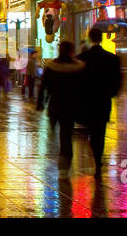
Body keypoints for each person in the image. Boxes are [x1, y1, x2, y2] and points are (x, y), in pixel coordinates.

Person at [77, 27, 122, 178]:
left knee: (90, 130)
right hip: (103, 100)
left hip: (86, 100)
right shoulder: (112, 58)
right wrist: (112, 93)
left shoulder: (81, 58)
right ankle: (98, 160)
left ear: (90, 39)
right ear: (101, 39)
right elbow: (117, 79)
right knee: (100, 131)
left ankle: (95, 156)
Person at [36, 41, 85, 172]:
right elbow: (83, 88)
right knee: (66, 135)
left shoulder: (51, 67)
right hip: (71, 106)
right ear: (71, 51)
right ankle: (65, 164)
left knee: (55, 134)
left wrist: (41, 102)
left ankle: (60, 157)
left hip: (55, 106)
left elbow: (43, 86)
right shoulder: (78, 68)